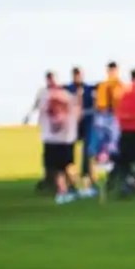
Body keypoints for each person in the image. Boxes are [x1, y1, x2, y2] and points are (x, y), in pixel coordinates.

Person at [35, 74, 85, 204]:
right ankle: (65, 190)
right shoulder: (60, 96)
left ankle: (71, 188)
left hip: (61, 138)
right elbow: (77, 113)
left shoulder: (47, 96)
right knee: (61, 167)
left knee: (64, 166)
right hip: (56, 138)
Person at [63, 67, 97, 184]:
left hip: (87, 122)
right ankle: (70, 174)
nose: (77, 77)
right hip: (73, 123)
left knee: (88, 150)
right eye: (75, 75)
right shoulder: (67, 89)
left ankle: (87, 173)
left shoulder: (89, 88)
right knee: (69, 149)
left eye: (79, 75)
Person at [92, 62, 124, 170]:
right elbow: (99, 103)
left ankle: (112, 161)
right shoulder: (103, 85)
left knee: (114, 139)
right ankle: (101, 159)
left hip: (114, 115)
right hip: (104, 114)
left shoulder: (120, 85)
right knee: (102, 138)